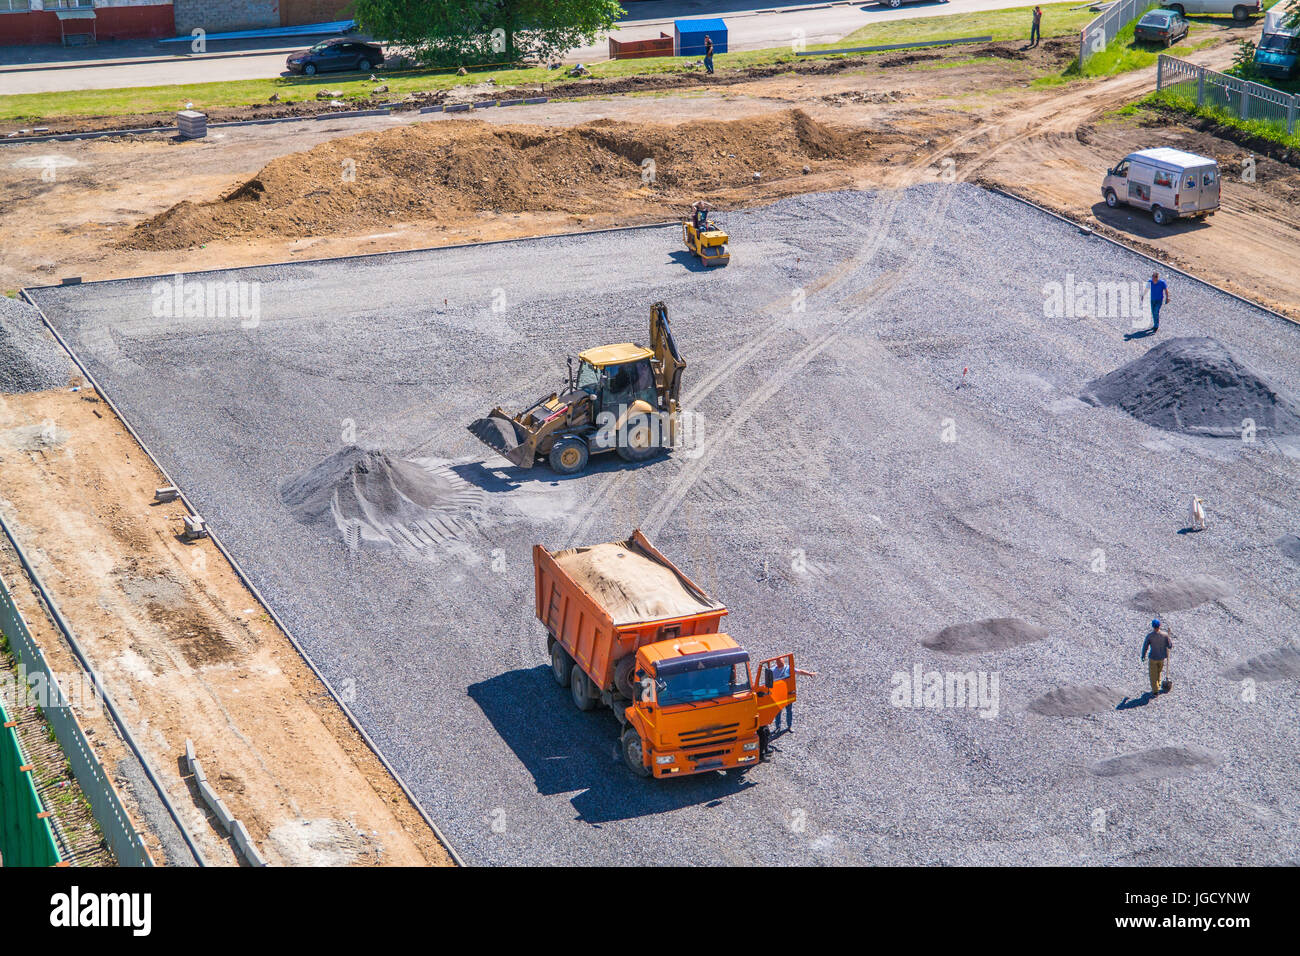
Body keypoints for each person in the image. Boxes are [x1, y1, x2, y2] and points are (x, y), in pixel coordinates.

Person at [1141, 619, 1173, 696]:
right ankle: (1158, 685)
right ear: (1160, 626)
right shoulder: (1165, 635)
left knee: (1153, 674)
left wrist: (1143, 655)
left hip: (1153, 657)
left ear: (1153, 626)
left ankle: (1155, 690)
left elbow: (1145, 646)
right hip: (1161, 658)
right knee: (1159, 672)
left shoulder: (1150, 636)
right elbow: (1170, 646)